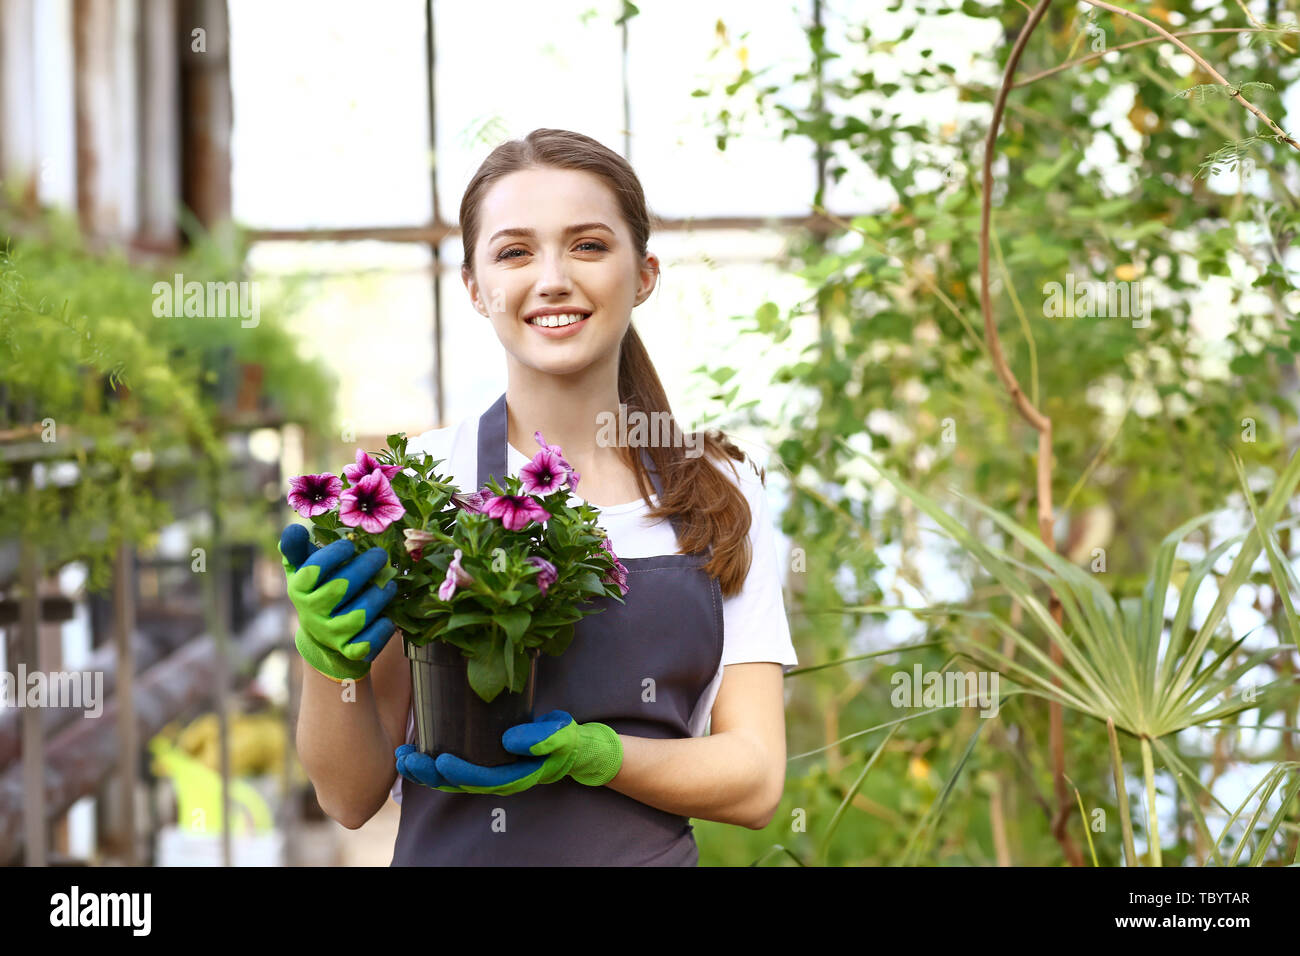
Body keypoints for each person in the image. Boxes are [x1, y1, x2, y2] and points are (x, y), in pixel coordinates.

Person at [281, 128, 798, 866]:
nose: (552, 278)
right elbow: (349, 796)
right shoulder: (416, 492)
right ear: (473, 286)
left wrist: (600, 755)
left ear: (645, 273)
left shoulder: (711, 492)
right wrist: (330, 661)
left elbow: (754, 777)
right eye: (515, 252)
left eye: (588, 246)